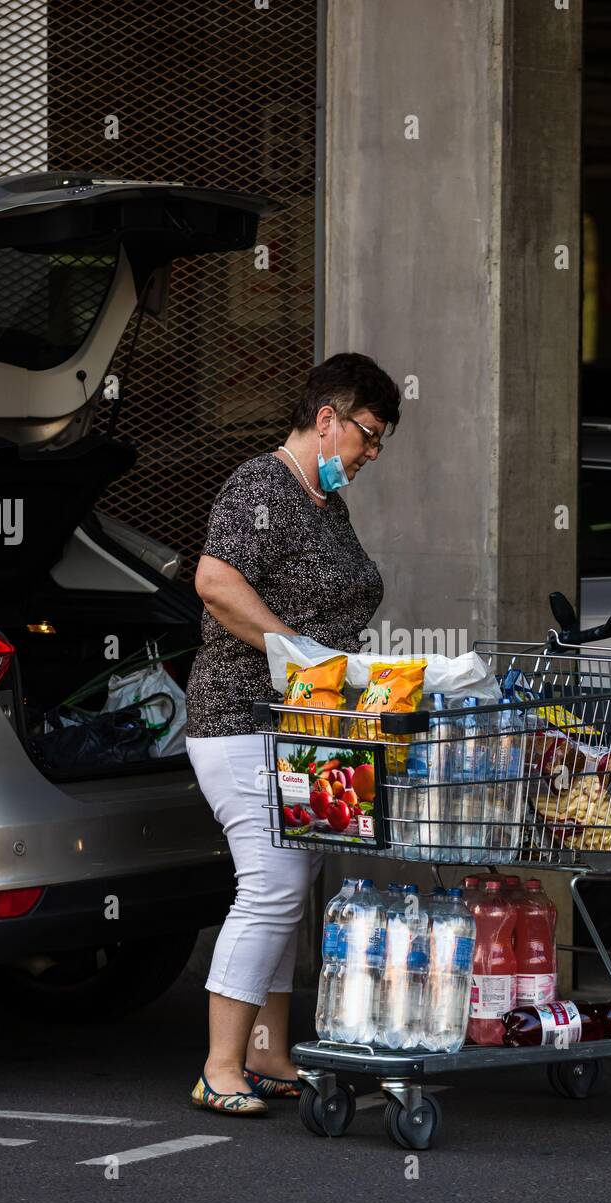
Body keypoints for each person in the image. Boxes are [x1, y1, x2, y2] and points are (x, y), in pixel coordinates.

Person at [185, 352, 401, 1114]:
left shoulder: (322, 501)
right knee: (272, 884)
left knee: (292, 883)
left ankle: (269, 1052)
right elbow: (215, 582)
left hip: (305, 725)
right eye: (367, 436)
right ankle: (220, 1066)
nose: (371, 455)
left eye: (379, 443)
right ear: (326, 419)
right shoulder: (261, 485)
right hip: (240, 717)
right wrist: (295, 652)